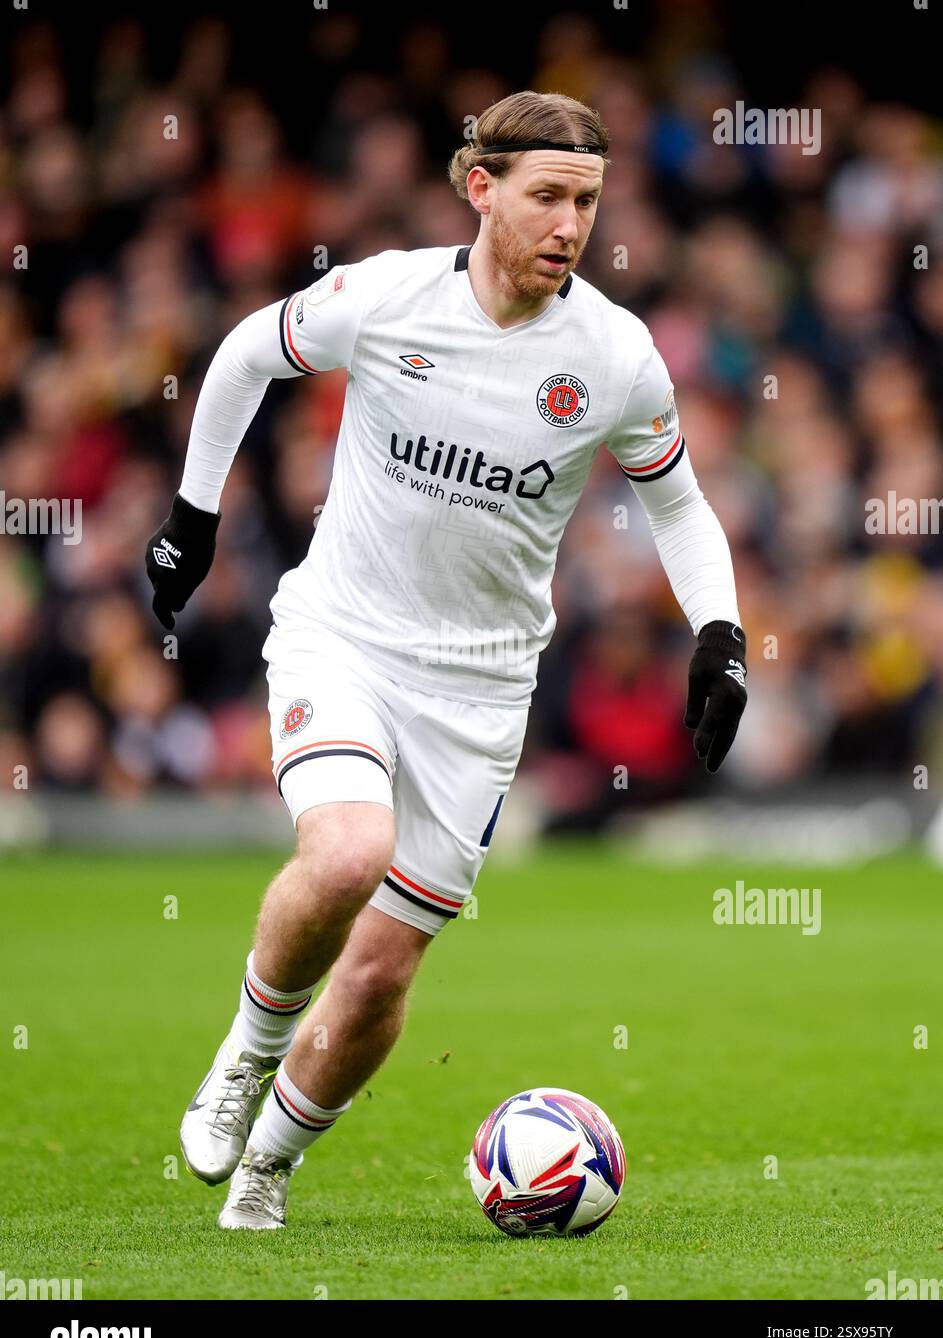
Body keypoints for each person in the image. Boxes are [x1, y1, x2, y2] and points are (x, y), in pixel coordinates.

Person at [145, 90, 747, 1230]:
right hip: (346, 637)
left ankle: (269, 1162)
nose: (571, 224)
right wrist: (192, 514)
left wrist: (719, 634)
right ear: (481, 189)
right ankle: (245, 1050)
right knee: (345, 854)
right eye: (548, 197)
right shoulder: (386, 297)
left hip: (479, 691)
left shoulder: (614, 355)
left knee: (379, 976)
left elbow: (677, 502)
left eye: (587, 200)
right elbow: (240, 355)